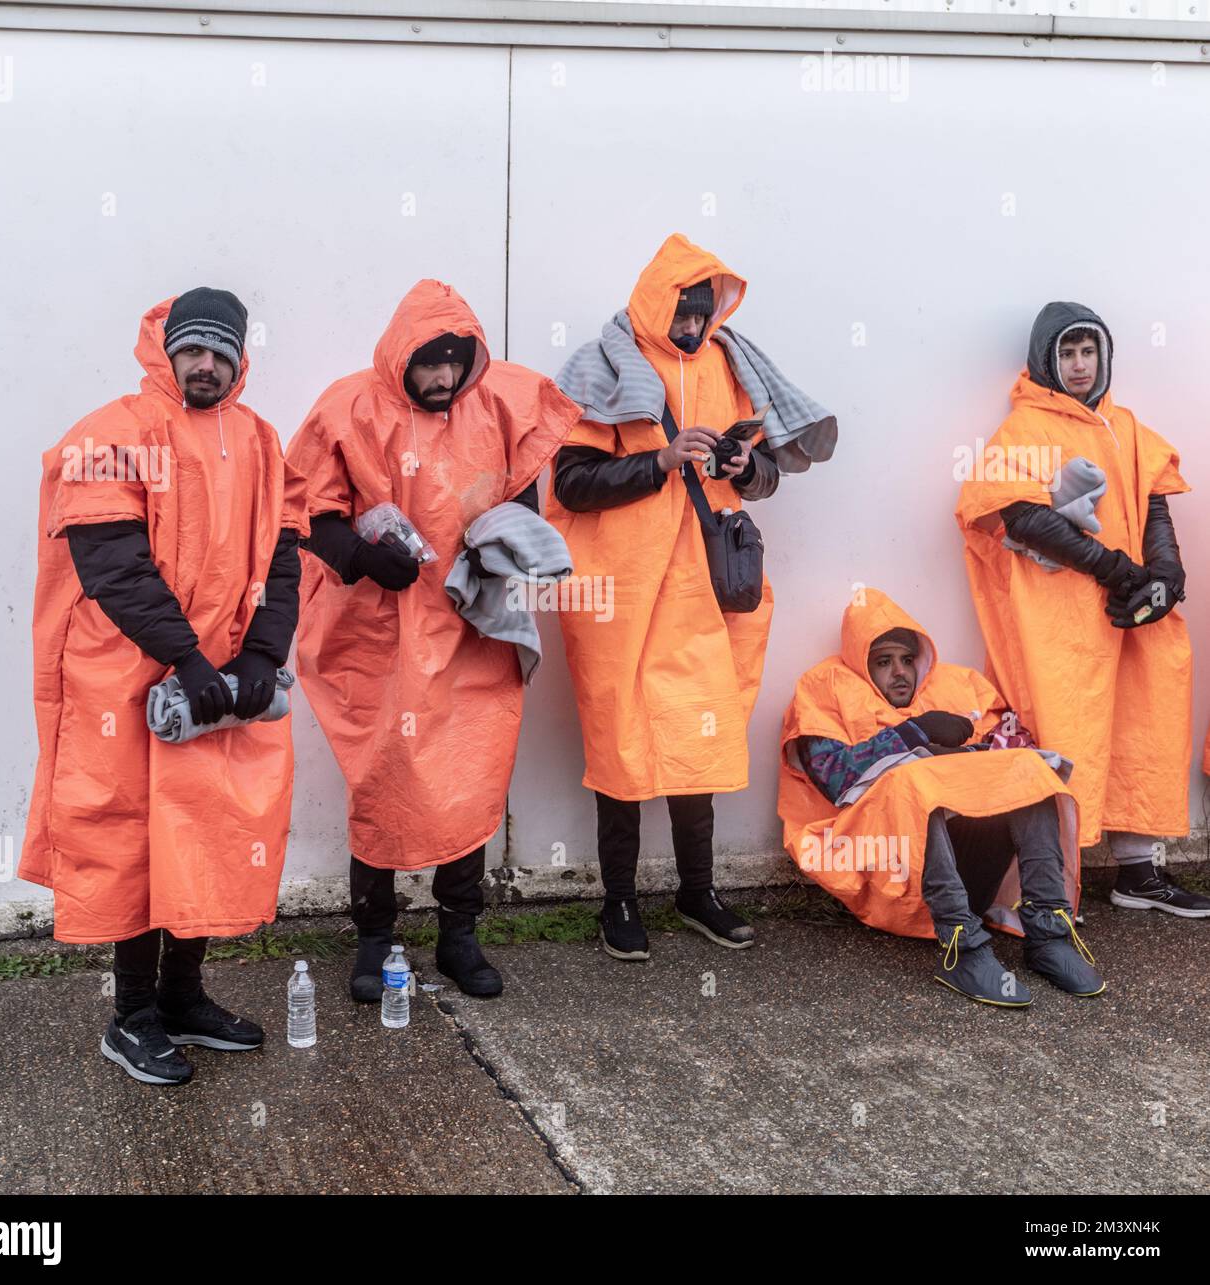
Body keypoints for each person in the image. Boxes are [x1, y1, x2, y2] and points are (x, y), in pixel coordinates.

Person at [20, 288, 308, 1085]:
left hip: (216, 686)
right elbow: (112, 564)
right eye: (193, 348)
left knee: (205, 831)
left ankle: (184, 998)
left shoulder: (261, 441)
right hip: (127, 686)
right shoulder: (115, 433)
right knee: (134, 844)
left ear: (240, 359)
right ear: (167, 349)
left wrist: (260, 657)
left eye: (221, 350)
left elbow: (286, 558)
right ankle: (132, 1017)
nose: (206, 363)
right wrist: (188, 660)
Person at [288, 279, 580, 1002]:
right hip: (375, 638)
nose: (444, 376)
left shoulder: (494, 406)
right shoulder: (349, 408)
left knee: (471, 779)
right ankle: (375, 941)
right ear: (400, 355)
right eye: (429, 361)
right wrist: (361, 557)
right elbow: (308, 514)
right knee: (379, 787)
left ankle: (459, 937)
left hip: (472, 629)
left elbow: (521, 496)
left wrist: (508, 539)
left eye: (456, 360)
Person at [549, 232, 835, 961]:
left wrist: (745, 464)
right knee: (621, 742)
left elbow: (767, 476)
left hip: (706, 595)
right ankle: (619, 901)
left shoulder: (731, 364)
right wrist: (659, 462)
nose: (690, 325)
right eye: (681, 310)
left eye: (701, 312)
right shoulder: (603, 364)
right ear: (656, 300)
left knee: (697, 739)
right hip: (620, 596)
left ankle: (697, 890)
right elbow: (571, 482)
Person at [956, 302, 1207, 917]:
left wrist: (1165, 580)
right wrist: (1114, 569)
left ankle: (1138, 872)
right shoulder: (1025, 429)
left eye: (1087, 351)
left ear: (1104, 357)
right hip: (1062, 622)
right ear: (1046, 358)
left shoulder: (1127, 426)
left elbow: (1155, 505)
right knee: (1070, 736)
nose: (1077, 365)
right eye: (1066, 353)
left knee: (1144, 727)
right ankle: (1051, 886)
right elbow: (1017, 513)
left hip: (1135, 616)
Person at [779, 588, 1102, 1005]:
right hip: (882, 870)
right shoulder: (823, 688)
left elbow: (1015, 744)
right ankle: (962, 949)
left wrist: (962, 752)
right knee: (914, 783)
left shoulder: (959, 684)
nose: (900, 672)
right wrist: (914, 735)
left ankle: (1047, 933)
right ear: (862, 665)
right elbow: (833, 778)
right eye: (883, 662)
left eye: (907, 659)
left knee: (1029, 771)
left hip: (965, 868)